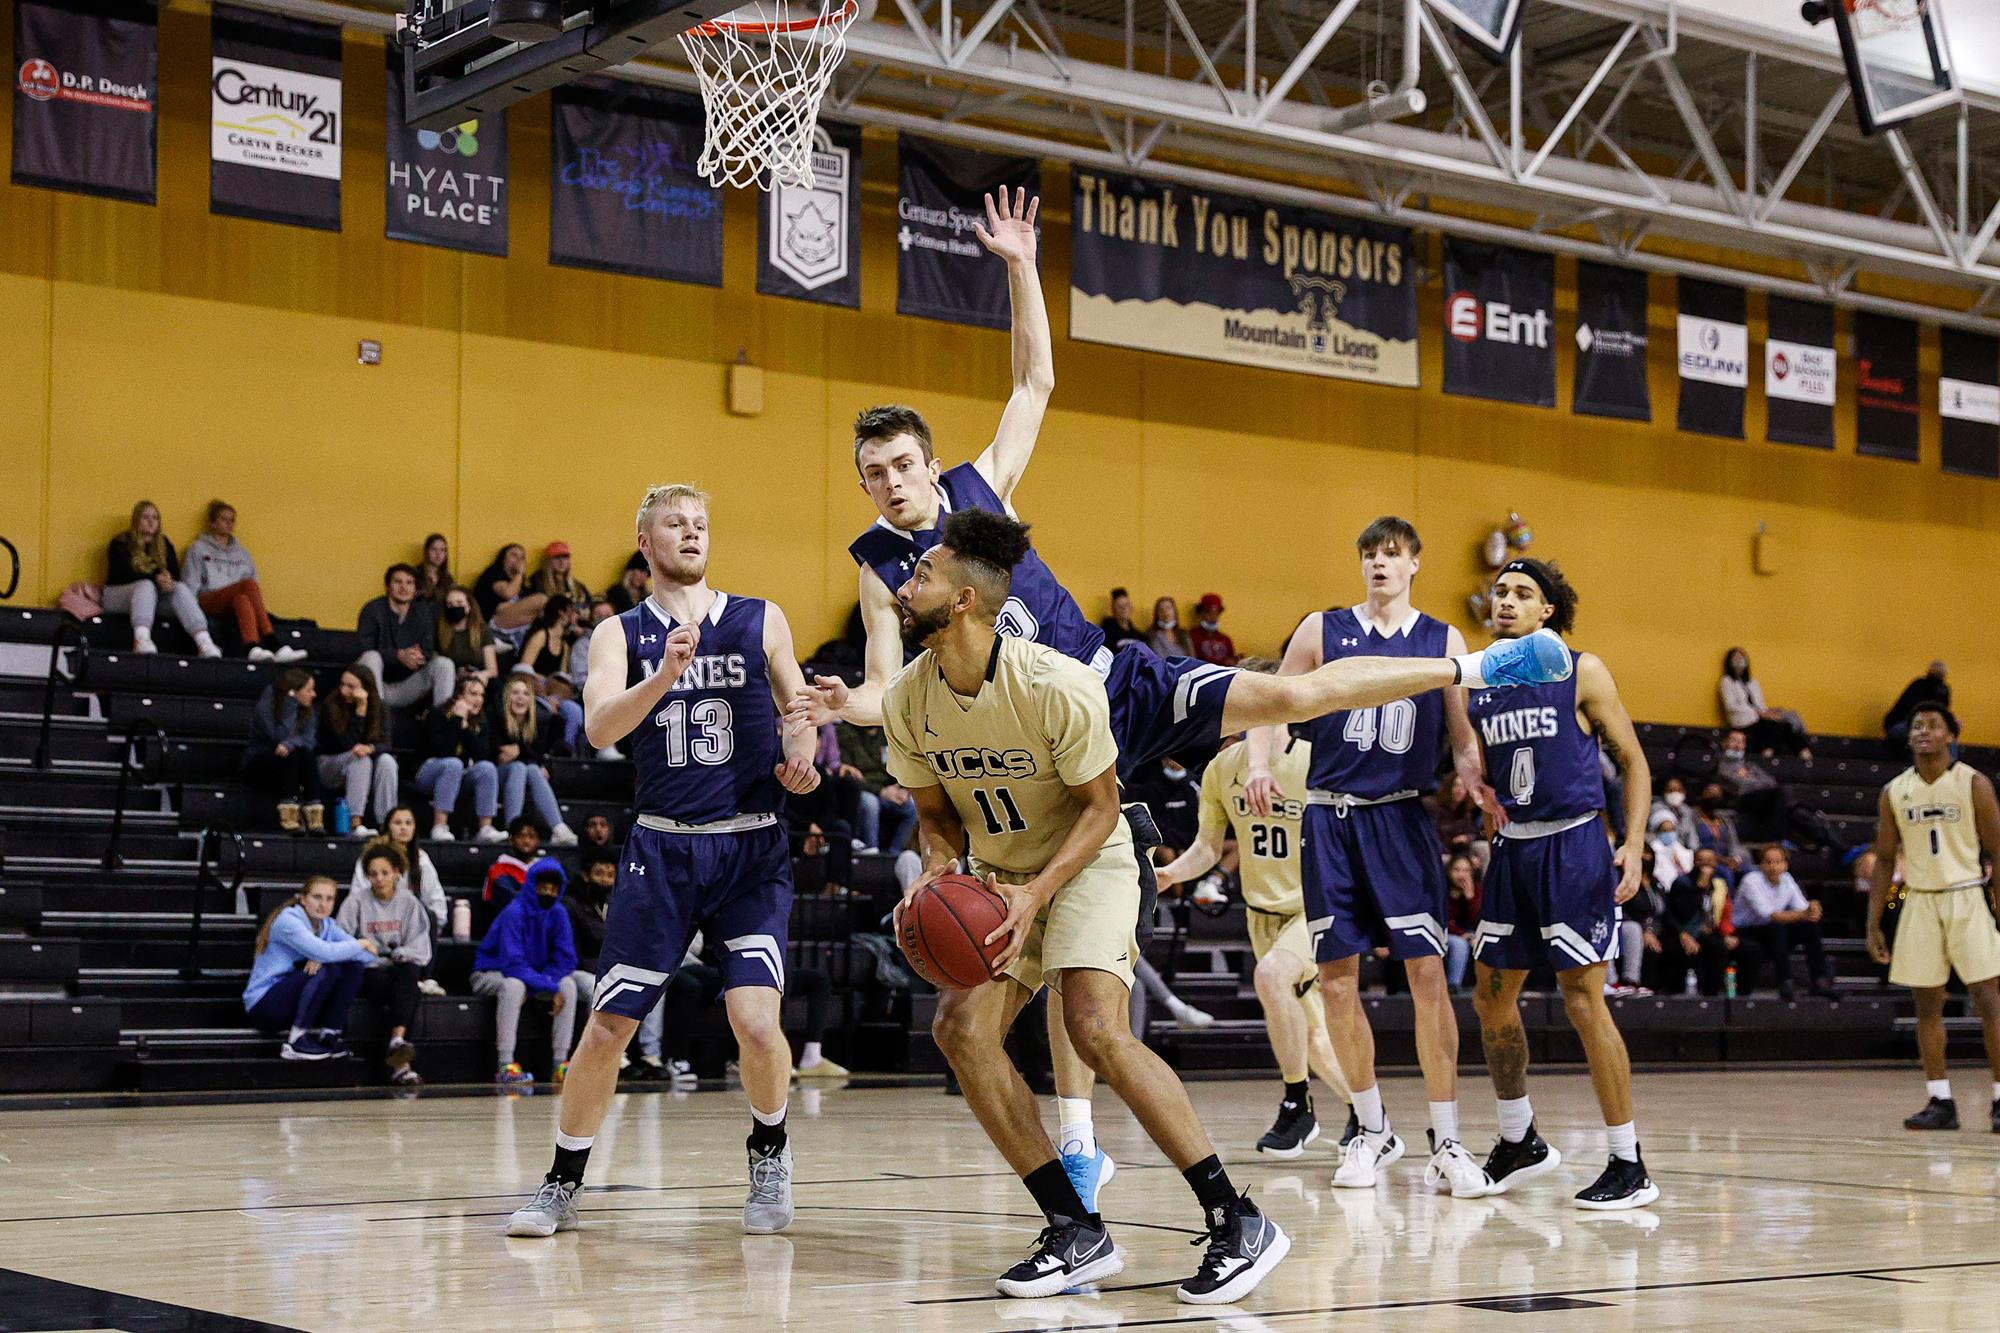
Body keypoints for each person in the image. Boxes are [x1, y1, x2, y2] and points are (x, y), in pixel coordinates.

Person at [790, 191, 1573, 1205]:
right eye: (873, 472)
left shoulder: (982, 488)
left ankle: (1471, 668)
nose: (891, 481)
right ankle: (1076, 1143)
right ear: (861, 486)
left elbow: (1033, 377)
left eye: (902, 463)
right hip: (1029, 756)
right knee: (1059, 955)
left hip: (1113, 688)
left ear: (928, 463)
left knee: (1289, 694)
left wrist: (1019, 263)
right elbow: (892, 689)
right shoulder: (877, 568)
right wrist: (838, 707)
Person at [881, 509, 1291, 1304]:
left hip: (1087, 862)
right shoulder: (907, 699)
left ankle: (1236, 1218)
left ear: (965, 598)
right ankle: (1076, 1228)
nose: (905, 586)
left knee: (1095, 1026)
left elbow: (1102, 809)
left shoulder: (1056, 683)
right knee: (959, 1028)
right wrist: (937, 869)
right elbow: (934, 817)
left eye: (922, 574)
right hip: (1001, 875)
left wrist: (1037, 894)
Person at [505, 482, 822, 1242]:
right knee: (609, 1023)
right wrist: (665, 675)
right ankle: (561, 1181)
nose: (692, 532)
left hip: (750, 845)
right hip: (663, 847)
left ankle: (770, 1151)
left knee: (753, 1018)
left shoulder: (760, 616)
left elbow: (800, 710)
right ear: (644, 543)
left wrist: (801, 756)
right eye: (676, 523)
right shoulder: (617, 633)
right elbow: (600, 728)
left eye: (702, 523)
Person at [1242, 517, 1490, 1197]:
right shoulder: (1323, 630)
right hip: (1330, 817)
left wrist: (1474, 778)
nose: (1380, 565)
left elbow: (1463, 732)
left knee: (1428, 977)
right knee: (1337, 981)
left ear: (1415, 564)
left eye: (1392, 555)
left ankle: (1448, 1141)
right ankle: (1371, 1127)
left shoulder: (1443, 639)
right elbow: (1266, 701)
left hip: (1403, 818)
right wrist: (1258, 765)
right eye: (1370, 556)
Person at [1465, 557, 1659, 1210]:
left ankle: (1629, 1161)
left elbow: (1633, 761)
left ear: (1548, 610)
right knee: (1490, 998)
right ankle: (1519, 1139)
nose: (1507, 601)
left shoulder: (1583, 670)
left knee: (1582, 1000)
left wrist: (1632, 843)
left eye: (1523, 593)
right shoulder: (1479, 682)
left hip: (1574, 843)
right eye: (1500, 592)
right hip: (1513, 849)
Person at [1156, 708, 1350, 1160]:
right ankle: (1368, 1114)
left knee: (1272, 975)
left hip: (1313, 910)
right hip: (1260, 913)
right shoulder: (1223, 768)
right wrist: (1170, 873)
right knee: (1313, 1039)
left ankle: (1296, 1106)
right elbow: (1208, 847)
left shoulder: (1313, 760)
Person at [1867, 703, 2000, 1132]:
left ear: (1950, 735)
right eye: (1917, 726)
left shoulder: (1973, 784)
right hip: (1920, 900)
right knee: (1927, 1005)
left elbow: (1997, 850)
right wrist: (1875, 921)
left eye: (1933, 726)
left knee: (1989, 1000)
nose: (1923, 732)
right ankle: (1940, 1100)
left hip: (1966, 895)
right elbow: (1885, 860)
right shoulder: (1894, 792)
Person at [243, 875, 376, 1061]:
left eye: (329, 899)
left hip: (295, 1002)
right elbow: (327, 952)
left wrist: (329, 956)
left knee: (353, 967)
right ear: (304, 899)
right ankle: (296, 1041)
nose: (323, 904)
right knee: (326, 968)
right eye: (317, 897)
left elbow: (368, 956)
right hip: (265, 1005)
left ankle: (330, 1033)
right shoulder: (288, 921)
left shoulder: (327, 925)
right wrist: (360, 944)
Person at [473, 858, 580, 1086]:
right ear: (531, 885)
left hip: (532, 974)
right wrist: (548, 986)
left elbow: (566, 958)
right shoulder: (514, 911)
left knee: (568, 985)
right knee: (514, 986)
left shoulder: (559, 913)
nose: (548, 893)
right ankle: (505, 1064)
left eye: (553, 889)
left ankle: (560, 1062)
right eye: (543, 887)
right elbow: (512, 963)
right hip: (491, 971)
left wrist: (549, 982)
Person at [337, 845, 432, 1086]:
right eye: (373, 873)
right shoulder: (355, 902)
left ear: (396, 872)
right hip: (367, 970)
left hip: (398, 967)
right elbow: (340, 941)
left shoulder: (409, 903)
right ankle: (400, 1060)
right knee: (410, 992)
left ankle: (397, 1045)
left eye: (384, 873)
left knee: (409, 975)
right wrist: (364, 951)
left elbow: (420, 949)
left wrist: (398, 953)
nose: (379, 879)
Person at [181, 500, 305, 662]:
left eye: (232, 520)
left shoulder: (242, 553)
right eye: (224, 519)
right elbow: (190, 583)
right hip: (207, 599)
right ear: (212, 523)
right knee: (247, 585)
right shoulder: (198, 548)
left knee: (242, 599)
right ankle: (272, 641)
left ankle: (252, 647)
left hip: (234, 601)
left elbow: (253, 584)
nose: (229, 524)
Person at [104, 500, 219, 657]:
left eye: (155, 518)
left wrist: (168, 582)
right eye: (146, 517)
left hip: (150, 599)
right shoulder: (121, 542)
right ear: (136, 520)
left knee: (179, 588)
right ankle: (141, 639)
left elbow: (175, 575)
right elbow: (120, 574)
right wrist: (155, 579)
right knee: (145, 585)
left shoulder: (164, 544)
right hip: (118, 595)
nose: (151, 522)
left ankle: (204, 641)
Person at [1710, 730, 1845, 852]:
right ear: (1723, 743)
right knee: (1784, 793)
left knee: (1799, 812)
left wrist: (1756, 783)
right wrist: (1759, 783)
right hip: (1744, 801)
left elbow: (1771, 782)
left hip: (1766, 800)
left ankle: (1842, 848)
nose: (1738, 746)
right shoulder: (1721, 767)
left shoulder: (1750, 766)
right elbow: (1741, 786)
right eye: (1734, 741)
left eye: (1742, 742)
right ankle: (1778, 838)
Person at [1732, 844, 1837, 1000]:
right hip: (1746, 931)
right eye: (1768, 862)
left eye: (1778, 862)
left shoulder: (1787, 879)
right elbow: (1770, 915)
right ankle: (1785, 981)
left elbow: (1803, 908)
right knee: (1777, 927)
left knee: (1809, 928)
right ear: (1760, 865)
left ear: (1785, 865)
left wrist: (1813, 910)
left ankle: (1819, 980)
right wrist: (1806, 913)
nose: (1773, 867)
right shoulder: (1751, 881)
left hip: (1773, 930)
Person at [1657, 848, 1760, 996]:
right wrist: (1699, 888)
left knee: (1752, 949)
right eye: (1701, 860)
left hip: (1712, 932)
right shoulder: (1682, 883)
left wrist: (1727, 935)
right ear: (1694, 862)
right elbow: (1678, 914)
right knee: (1716, 948)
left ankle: (1742, 996)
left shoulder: (1719, 884)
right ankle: (1711, 995)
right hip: (1684, 932)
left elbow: (1724, 914)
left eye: (1710, 861)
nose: (1706, 864)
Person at [413, 676, 504, 844]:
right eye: (473, 694)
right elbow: (443, 750)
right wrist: (456, 720)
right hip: (428, 773)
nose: (479, 699)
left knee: (487, 768)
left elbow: (482, 754)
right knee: (453, 764)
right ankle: (440, 826)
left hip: (458, 776)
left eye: (481, 695)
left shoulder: (481, 722)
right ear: (459, 696)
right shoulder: (437, 714)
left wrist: (465, 727)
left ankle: (485, 828)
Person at [315, 666, 399, 838]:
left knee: (387, 761)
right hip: (330, 765)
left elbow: (387, 743)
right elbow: (346, 744)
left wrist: (371, 748)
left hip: (360, 764)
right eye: (342, 684)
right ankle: (355, 823)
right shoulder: (331, 705)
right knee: (361, 758)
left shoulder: (380, 706)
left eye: (351, 686)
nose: (344, 690)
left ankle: (388, 823)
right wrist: (360, 712)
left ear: (365, 688)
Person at [494, 674, 577, 846]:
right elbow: (496, 753)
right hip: (495, 775)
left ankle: (559, 827)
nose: (520, 698)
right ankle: (514, 830)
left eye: (525, 694)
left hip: (522, 773)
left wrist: (519, 750)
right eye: (515, 692)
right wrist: (523, 752)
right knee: (519, 767)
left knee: (530, 769)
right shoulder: (497, 718)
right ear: (506, 697)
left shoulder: (537, 722)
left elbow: (537, 756)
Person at [357, 564, 454, 710]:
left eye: (409, 583)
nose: (404, 587)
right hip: (377, 685)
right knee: (371, 657)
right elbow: (363, 648)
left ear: (415, 589)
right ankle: (378, 718)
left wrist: (417, 656)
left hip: (408, 685)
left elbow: (428, 649)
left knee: (444, 664)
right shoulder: (373, 609)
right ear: (387, 587)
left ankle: (443, 723)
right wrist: (398, 655)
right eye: (398, 582)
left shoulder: (423, 612)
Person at [243, 667, 322, 834]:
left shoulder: (308, 709)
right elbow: (278, 736)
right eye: (308, 690)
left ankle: (314, 814)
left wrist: (291, 744)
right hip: (261, 763)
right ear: (292, 691)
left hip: (292, 761)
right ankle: (289, 812)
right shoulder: (266, 706)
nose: (313, 694)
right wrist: (290, 704)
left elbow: (310, 739)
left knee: (304, 753)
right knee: (294, 754)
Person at [350, 808, 448, 933]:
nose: (403, 828)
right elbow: (357, 894)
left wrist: (434, 927)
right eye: (398, 823)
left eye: (408, 823)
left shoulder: (421, 859)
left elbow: (434, 897)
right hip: (374, 924)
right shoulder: (371, 856)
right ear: (387, 827)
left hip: (411, 927)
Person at [833, 720, 918, 853]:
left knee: (912, 806)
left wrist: (902, 788)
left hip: (888, 788)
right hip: (862, 789)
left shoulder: (887, 732)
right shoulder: (845, 732)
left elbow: (899, 765)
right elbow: (850, 776)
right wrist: (881, 791)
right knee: (870, 803)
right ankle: (871, 850)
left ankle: (895, 854)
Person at [1718, 648, 1809, 758]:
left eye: (1741, 657)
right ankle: (1767, 753)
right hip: (1743, 720)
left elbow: (1760, 705)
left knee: (1786, 724)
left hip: (1760, 718)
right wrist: (1758, 712)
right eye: (1736, 657)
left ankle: (1804, 753)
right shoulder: (1726, 681)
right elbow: (1730, 706)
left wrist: (1769, 712)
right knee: (1776, 726)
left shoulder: (1753, 682)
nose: (1739, 660)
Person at [473, 543, 545, 633]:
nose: (519, 560)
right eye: (514, 555)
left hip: (513, 622)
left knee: (545, 610)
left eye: (522, 557)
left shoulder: (521, 582)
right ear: (503, 558)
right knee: (541, 600)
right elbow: (508, 594)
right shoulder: (494, 572)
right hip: (492, 622)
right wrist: (519, 573)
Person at [483, 817, 542, 920]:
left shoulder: (545, 869)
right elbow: (512, 900)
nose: (526, 841)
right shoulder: (498, 870)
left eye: (532, 837)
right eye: (521, 836)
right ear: (511, 840)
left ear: (538, 841)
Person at [1884, 660, 1950, 752]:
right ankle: (1948, 764)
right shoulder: (1940, 691)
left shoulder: (1917, 685)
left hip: (1895, 726)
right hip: (1903, 726)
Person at [437, 586, 499, 682]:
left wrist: (476, 675)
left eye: (459, 603)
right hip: (449, 680)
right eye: (450, 604)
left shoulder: (482, 630)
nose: (454, 607)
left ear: (469, 607)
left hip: (477, 679)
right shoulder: (440, 631)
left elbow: (492, 670)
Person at [1444, 851, 1482, 991]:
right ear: (1449, 871)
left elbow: (1478, 922)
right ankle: (1454, 985)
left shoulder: (1477, 889)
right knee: (1459, 944)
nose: (1461, 875)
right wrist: (1462, 934)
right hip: (1446, 933)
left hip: (1469, 932)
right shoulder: (1442, 890)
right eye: (1457, 870)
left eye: (1466, 870)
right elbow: (1442, 920)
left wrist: (1470, 898)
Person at [520, 596, 581, 678]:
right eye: (573, 611)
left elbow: (561, 675)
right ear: (562, 613)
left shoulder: (564, 645)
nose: (577, 616)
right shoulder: (541, 636)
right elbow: (523, 668)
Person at [1649, 778, 1698, 854]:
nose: (1675, 793)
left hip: (1683, 851)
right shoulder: (1656, 807)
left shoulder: (1686, 810)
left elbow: (1691, 833)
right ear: (1664, 793)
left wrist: (1693, 851)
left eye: (1679, 790)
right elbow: (1663, 829)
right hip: (1661, 849)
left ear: (1684, 792)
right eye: (1670, 790)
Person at [1188, 594, 1237, 666]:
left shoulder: (1225, 639)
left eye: (1216, 613)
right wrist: (1222, 662)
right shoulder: (1191, 635)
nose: (1213, 617)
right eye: (1209, 612)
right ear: (1201, 613)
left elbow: (1232, 662)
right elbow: (1191, 660)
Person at [416, 533, 454, 601]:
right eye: (434, 549)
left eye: (442, 550)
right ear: (426, 551)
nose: (438, 554)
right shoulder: (415, 574)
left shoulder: (448, 578)